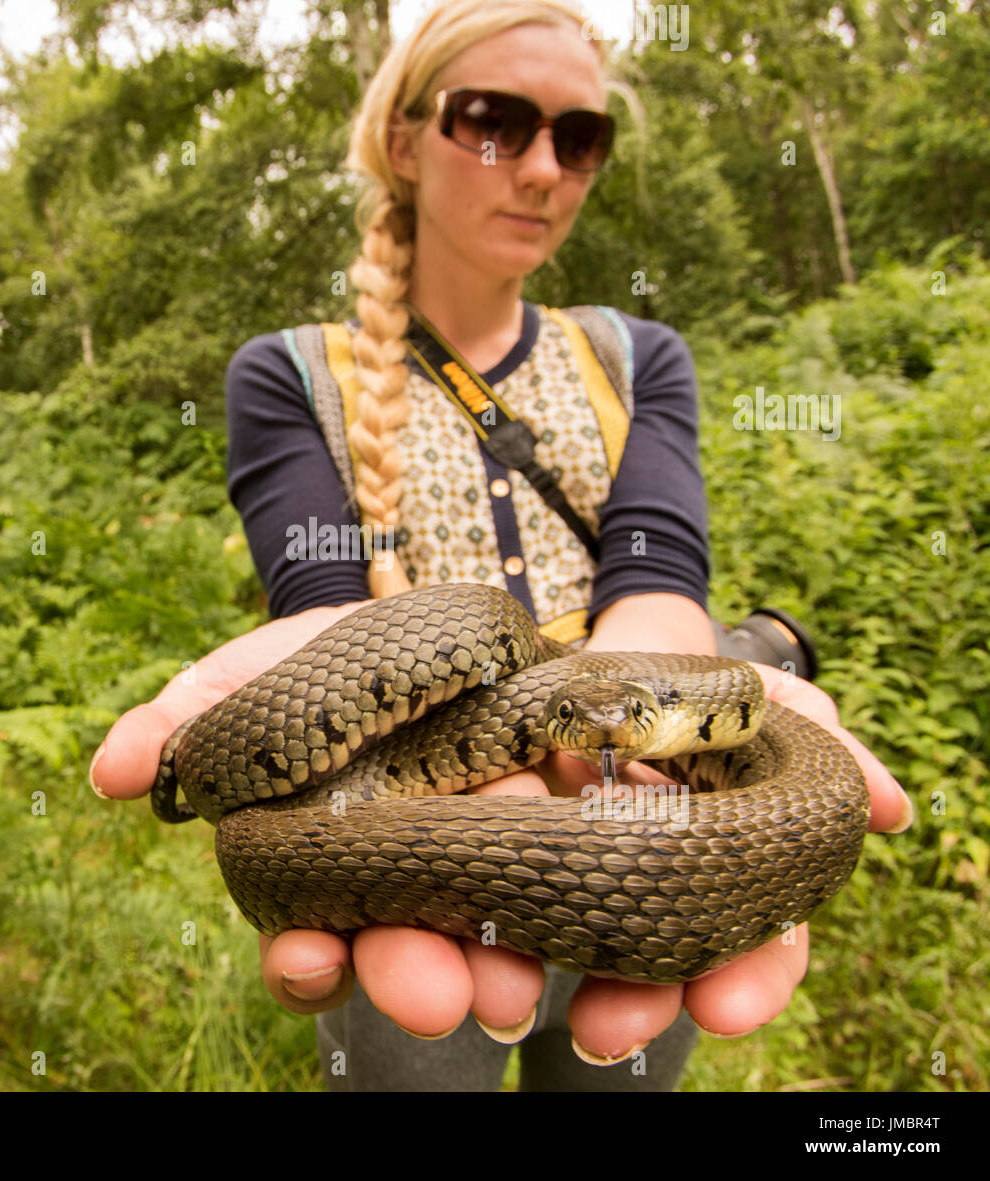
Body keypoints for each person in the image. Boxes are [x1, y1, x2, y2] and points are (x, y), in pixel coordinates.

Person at [89, 0, 911, 1091]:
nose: (540, 169)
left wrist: (665, 711)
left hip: (650, 815)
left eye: (579, 138)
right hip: (412, 844)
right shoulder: (286, 372)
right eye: (493, 122)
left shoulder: (634, 354)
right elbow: (324, 601)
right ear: (401, 141)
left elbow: (659, 579)